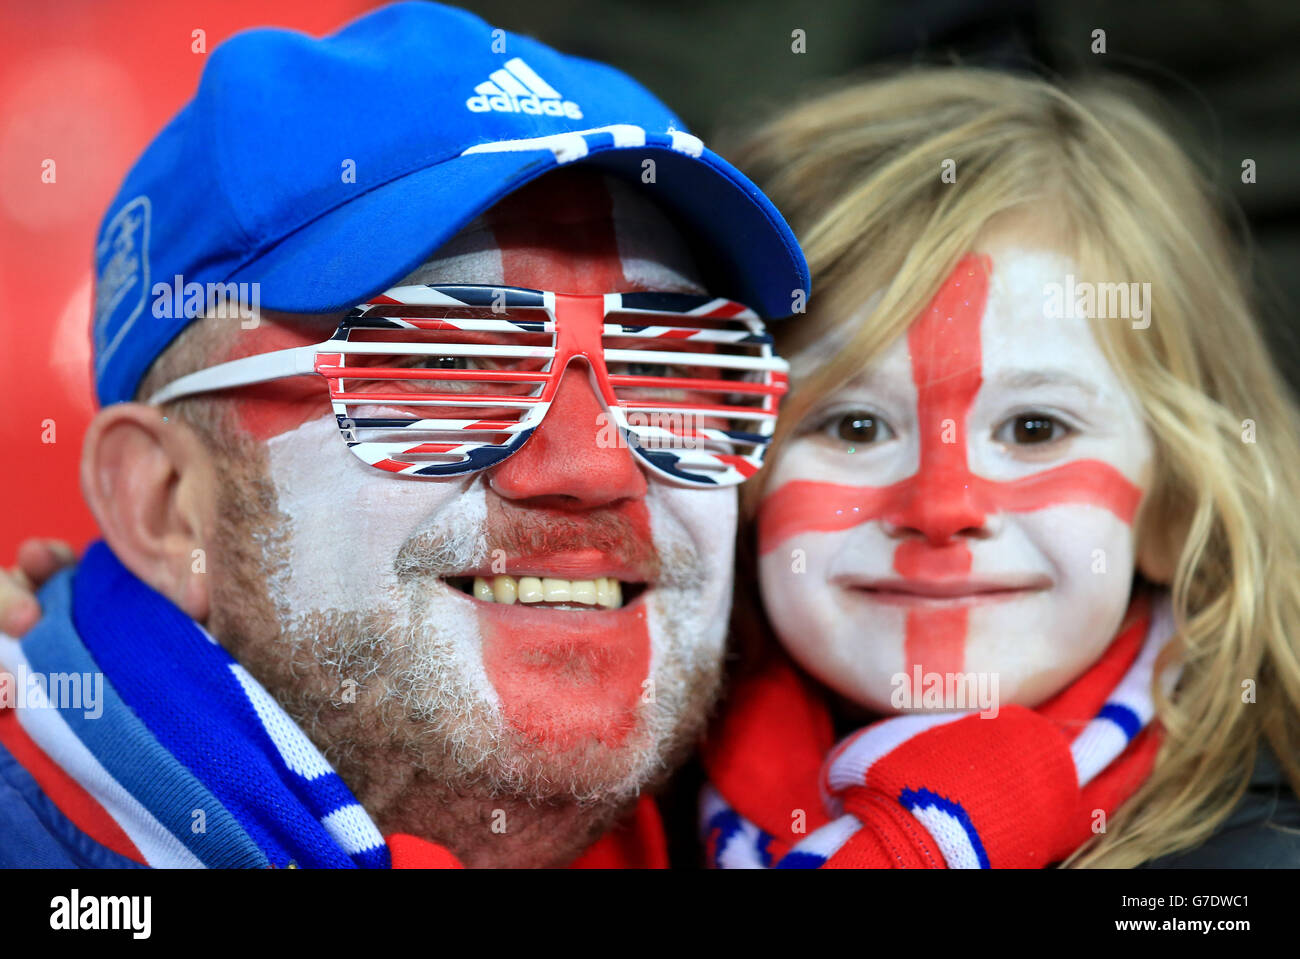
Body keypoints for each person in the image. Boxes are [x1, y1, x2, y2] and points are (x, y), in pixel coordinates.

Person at [0, 1, 807, 868]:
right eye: (447, 366)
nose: (594, 466)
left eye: (674, 368)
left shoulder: (842, 800)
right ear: (165, 506)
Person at [701, 67, 1300, 868]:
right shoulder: (632, 799)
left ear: (1176, 501)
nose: (942, 506)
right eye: (853, 424)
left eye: (1034, 426)